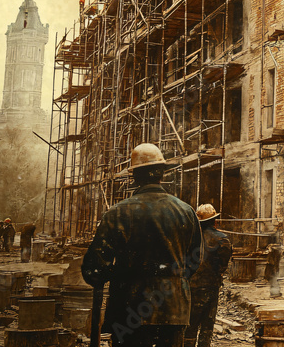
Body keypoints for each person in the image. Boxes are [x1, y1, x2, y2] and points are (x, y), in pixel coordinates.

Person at [82, 143, 202, 347]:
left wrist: (118, 275)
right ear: (162, 174)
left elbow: (94, 268)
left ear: (135, 176)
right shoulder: (186, 211)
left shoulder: (117, 213)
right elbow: (195, 259)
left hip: (129, 309)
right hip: (173, 309)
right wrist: (172, 280)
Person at [185, 204, 233, 347]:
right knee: (207, 324)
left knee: (190, 324)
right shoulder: (222, 239)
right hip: (211, 286)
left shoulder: (189, 238)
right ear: (214, 221)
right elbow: (223, 264)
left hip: (191, 286)